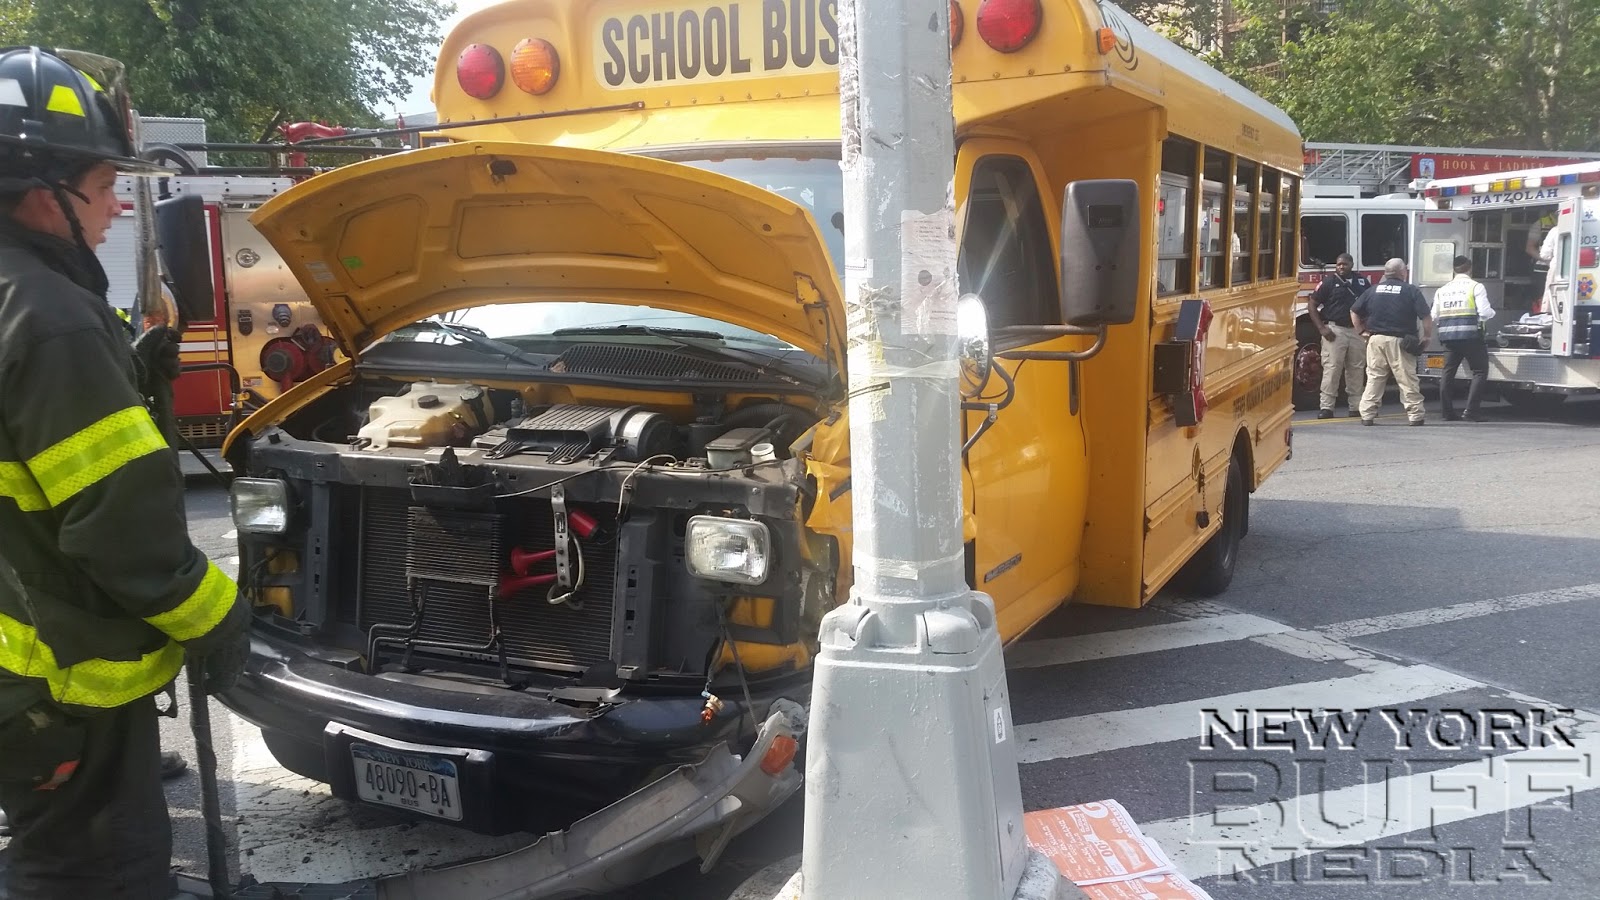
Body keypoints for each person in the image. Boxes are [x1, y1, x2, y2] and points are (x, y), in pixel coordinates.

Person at [0, 46, 250, 899]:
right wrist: (219, 620)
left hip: (17, 666)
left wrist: (131, 374)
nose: (113, 209)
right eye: (105, 187)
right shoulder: (51, 317)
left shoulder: (21, 295)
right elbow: (122, 533)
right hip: (63, 675)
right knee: (91, 871)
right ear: (44, 191)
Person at [1351, 258, 1433, 425]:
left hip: (1375, 340)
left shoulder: (1373, 290)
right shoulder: (1411, 290)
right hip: (1400, 342)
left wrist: (1361, 331)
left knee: (1375, 377)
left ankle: (1367, 414)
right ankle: (1415, 415)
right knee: (1406, 379)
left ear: (1385, 273)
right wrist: (1427, 336)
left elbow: (1354, 311)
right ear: (1403, 273)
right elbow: (1426, 316)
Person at [1307, 252, 1372, 418]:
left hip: (1356, 331)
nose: (1341, 267)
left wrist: (1366, 328)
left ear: (1351, 265)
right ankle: (1326, 407)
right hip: (1335, 331)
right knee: (1332, 369)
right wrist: (1322, 329)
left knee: (1356, 370)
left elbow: (1371, 304)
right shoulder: (1328, 283)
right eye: (1338, 264)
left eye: (1344, 264)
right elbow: (1312, 305)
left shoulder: (1362, 282)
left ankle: (1356, 407)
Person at [1432, 255, 1495, 422]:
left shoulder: (1442, 290)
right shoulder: (1476, 287)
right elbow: (1485, 312)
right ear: (1470, 268)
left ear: (1454, 269)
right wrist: (1492, 314)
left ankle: (1447, 413)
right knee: (1480, 372)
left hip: (1448, 337)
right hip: (1471, 337)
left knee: (1448, 373)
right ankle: (1471, 412)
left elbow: (1434, 316)